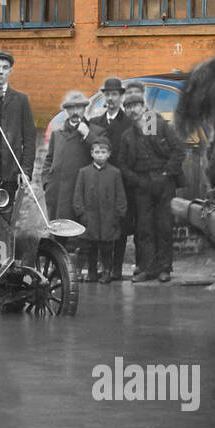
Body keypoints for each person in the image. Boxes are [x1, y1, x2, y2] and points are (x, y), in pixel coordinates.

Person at [118, 94, 184, 282]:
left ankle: (164, 268)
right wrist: (137, 180)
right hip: (142, 185)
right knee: (144, 228)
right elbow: (122, 163)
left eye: (136, 105)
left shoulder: (160, 125)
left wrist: (167, 174)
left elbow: (178, 150)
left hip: (164, 183)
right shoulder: (128, 135)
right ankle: (148, 268)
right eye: (128, 107)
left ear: (143, 106)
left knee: (164, 225)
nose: (132, 110)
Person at [88, 77, 136, 279]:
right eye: (107, 95)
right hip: (100, 181)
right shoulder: (95, 122)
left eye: (115, 95)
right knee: (101, 223)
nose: (111, 99)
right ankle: (102, 267)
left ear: (121, 97)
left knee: (121, 224)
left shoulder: (130, 123)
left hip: (122, 181)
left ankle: (116, 268)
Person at [72, 136, 128, 284]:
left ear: (109, 154)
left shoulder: (115, 173)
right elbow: (77, 196)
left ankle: (106, 272)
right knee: (90, 246)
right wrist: (81, 214)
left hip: (108, 218)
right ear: (91, 153)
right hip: (90, 219)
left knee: (107, 248)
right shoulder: (84, 172)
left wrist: (118, 215)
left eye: (103, 152)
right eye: (97, 152)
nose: (100, 155)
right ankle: (91, 272)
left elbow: (121, 196)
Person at [0, 52, 36, 204]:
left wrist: (25, 171)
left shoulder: (20, 100)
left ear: (10, 71)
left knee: (5, 213)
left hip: (9, 168)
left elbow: (29, 139)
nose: (1, 71)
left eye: (5, 68)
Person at [42, 90, 98, 221]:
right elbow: (49, 160)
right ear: (66, 111)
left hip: (79, 194)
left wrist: (87, 134)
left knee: (78, 232)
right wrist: (47, 182)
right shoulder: (57, 134)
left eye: (79, 107)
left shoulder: (94, 131)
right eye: (71, 108)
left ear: (84, 109)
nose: (75, 112)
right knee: (58, 230)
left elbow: (102, 152)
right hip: (56, 193)